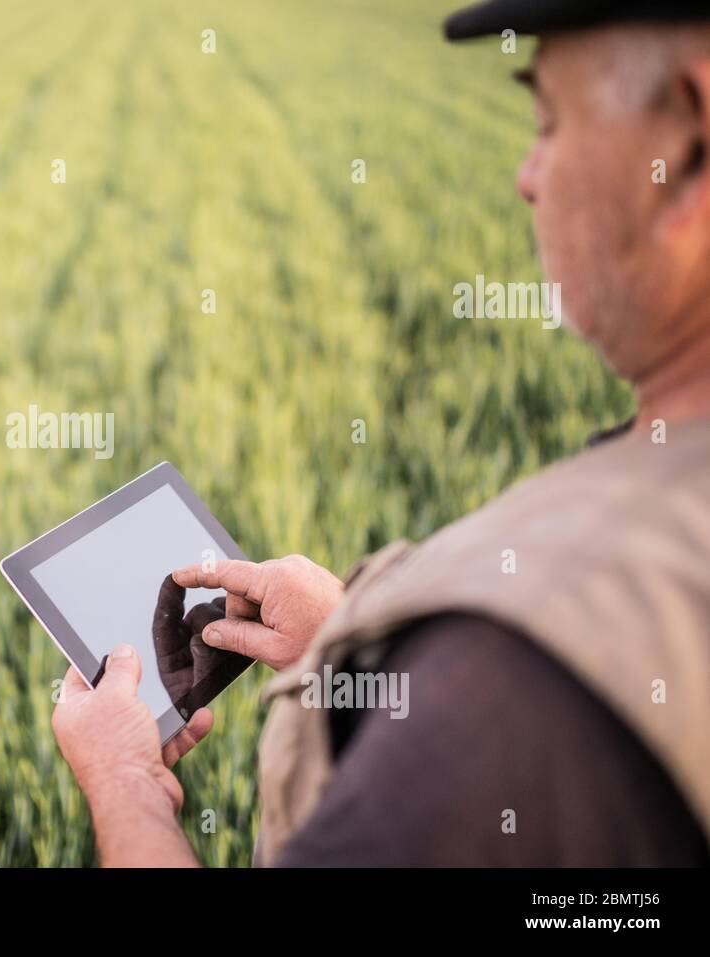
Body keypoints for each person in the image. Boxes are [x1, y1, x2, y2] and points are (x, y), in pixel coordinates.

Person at [51, 0, 710, 866]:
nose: (526, 173)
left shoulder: (530, 677)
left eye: (548, 121)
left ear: (691, 150)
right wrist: (350, 638)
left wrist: (124, 778)